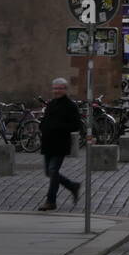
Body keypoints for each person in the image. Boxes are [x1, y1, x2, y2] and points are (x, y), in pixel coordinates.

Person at [37, 77, 82, 210]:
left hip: (60, 143)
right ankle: (72, 186)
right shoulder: (51, 104)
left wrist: (58, 127)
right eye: (55, 88)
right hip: (48, 143)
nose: (57, 91)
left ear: (65, 90)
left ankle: (51, 201)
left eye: (60, 88)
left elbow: (76, 125)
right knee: (49, 172)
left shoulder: (70, 105)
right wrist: (43, 127)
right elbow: (45, 120)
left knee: (53, 170)